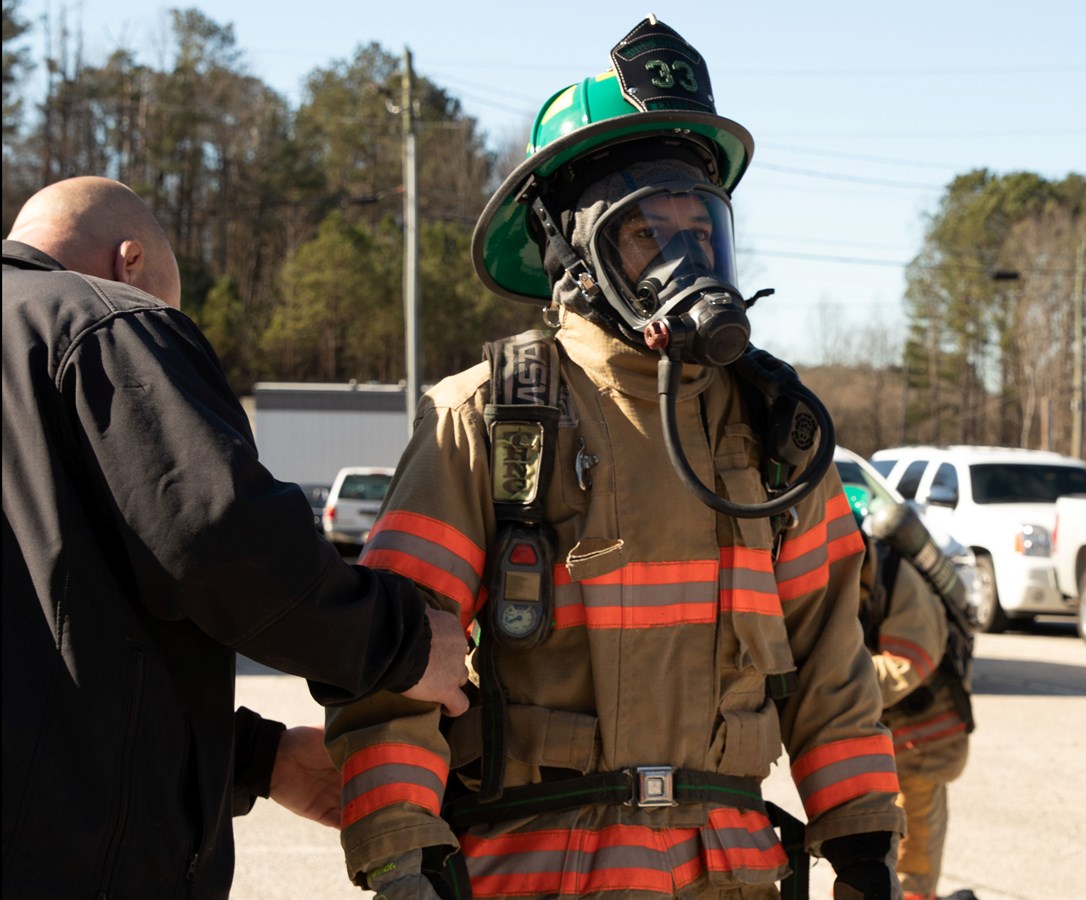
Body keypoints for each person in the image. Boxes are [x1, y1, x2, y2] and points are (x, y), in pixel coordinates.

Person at [324, 17, 904, 900]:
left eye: (700, 231)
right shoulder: (491, 416)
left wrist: (863, 844)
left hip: (730, 875)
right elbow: (393, 664)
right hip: (538, 873)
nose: (683, 258)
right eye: (646, 233)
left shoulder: (776, 429)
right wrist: (402, 857)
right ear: (574, 251)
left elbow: (832, 657)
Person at [2, 176, 472, 899]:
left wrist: (257, 758)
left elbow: (57, 650)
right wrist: (402, 643)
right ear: (130, 261)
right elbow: (215, 537)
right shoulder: (102, 321)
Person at [845, 487, 977, 900]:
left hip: (922, 744)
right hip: (886, 740)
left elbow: (908, 663)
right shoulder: (852, 579)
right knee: (871, 853)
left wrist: (834, 678)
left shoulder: (899, 582)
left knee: (909, 860)